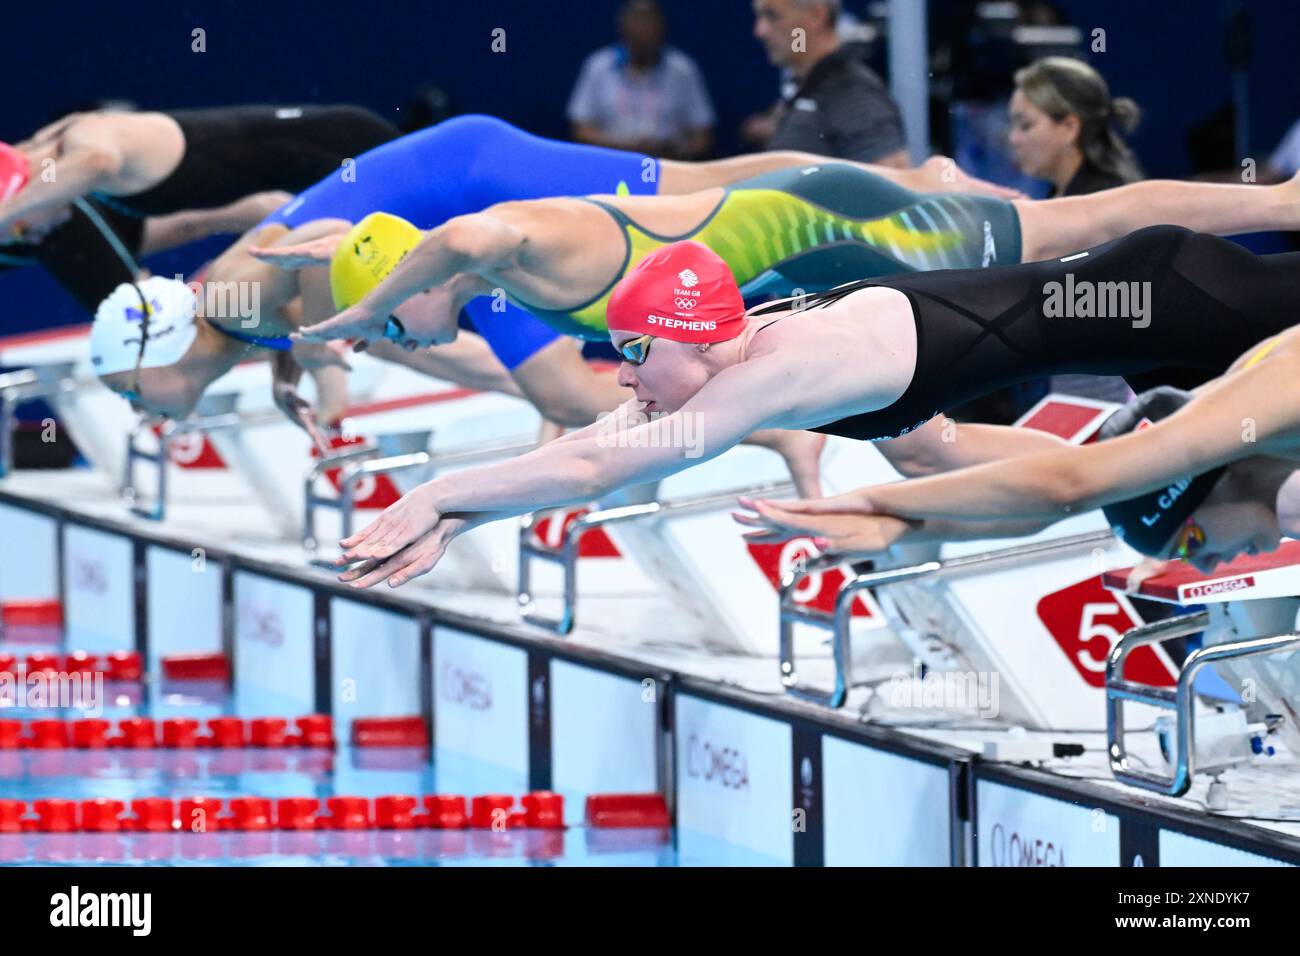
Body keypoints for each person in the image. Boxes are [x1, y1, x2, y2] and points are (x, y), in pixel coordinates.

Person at [307, 224, 1300, 589]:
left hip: (1180, 307)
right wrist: (453, 504)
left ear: (690, 347)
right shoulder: (739, 348)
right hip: (1155, 308)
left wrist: (441, 489)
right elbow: (604, 442)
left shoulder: (787, 364)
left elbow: (594, 466)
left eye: (635, 356)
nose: (620, 379)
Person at [731, 335, 1300, 578]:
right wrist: (897, 527)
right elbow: (1058, 504)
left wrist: (870, 500)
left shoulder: (1272, 397)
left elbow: (1068, 487)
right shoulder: (1238, 409)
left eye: (1192, 543)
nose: (1200, 564)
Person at [0, 104, 399, 318]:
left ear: (24, 191)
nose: (34, 237)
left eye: (20, 227)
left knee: (437, 252)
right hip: (317, 182)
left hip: (347, 147)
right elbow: (200, 219)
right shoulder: (93, 187)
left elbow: (97, 160)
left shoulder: (86, 138)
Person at [743, 0, 907, 166]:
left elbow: (894, 174)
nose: (760, 31)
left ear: (816, 16)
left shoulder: (852, 94)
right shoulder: (807, 87)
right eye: (760, 16)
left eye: (772, 15)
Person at [568, 0, 715, 161]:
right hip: (612, 166)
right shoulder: (598, 67)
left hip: (669, 167)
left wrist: (674, 149)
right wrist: (628, 147)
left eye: (649, 21)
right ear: (622, 28)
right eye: (637, 21)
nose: (643, 30)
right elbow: (580, 130)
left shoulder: (683, 70)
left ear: (662, 28)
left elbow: (703, 137)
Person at [1008, 57, 1142, 198]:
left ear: (1070, 127)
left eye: (1026, 125)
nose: (1013, 139)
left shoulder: (1105, 204)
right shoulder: (1064, 194)